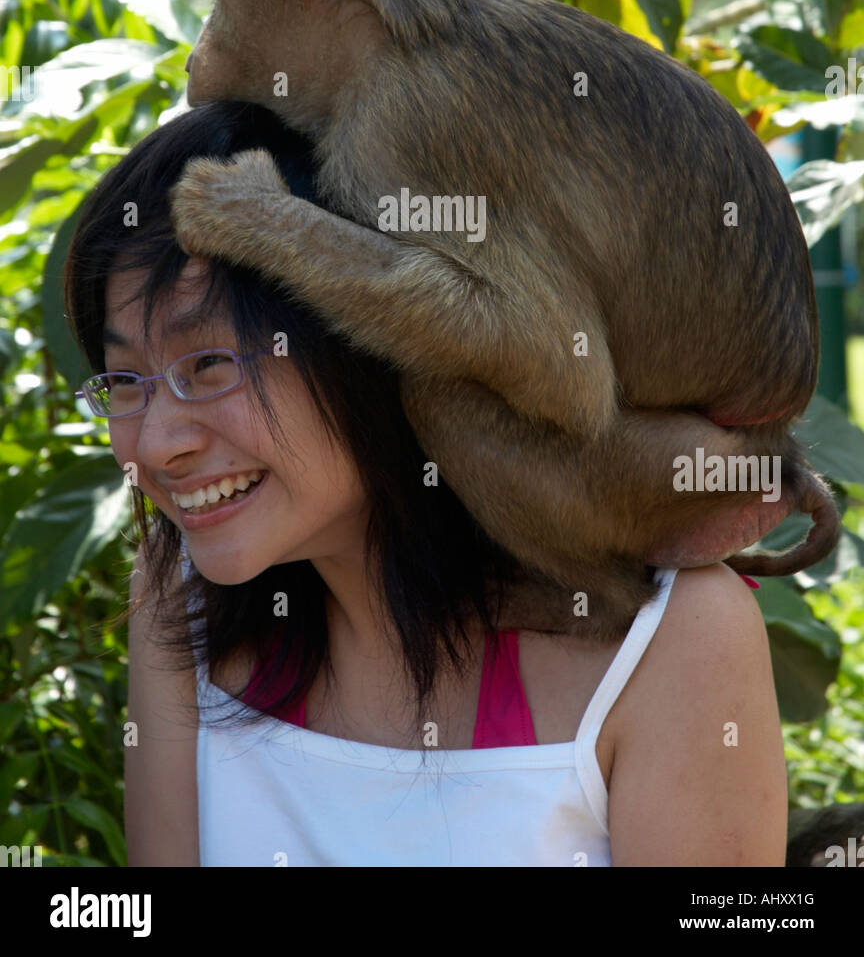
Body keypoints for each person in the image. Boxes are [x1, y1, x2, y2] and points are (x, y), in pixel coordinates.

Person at [63, 100, 788, 868]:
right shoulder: (185, 601)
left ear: (377, 340)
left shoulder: (668, 639)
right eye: (125, 379)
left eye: (209, 365)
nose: (154, 443)